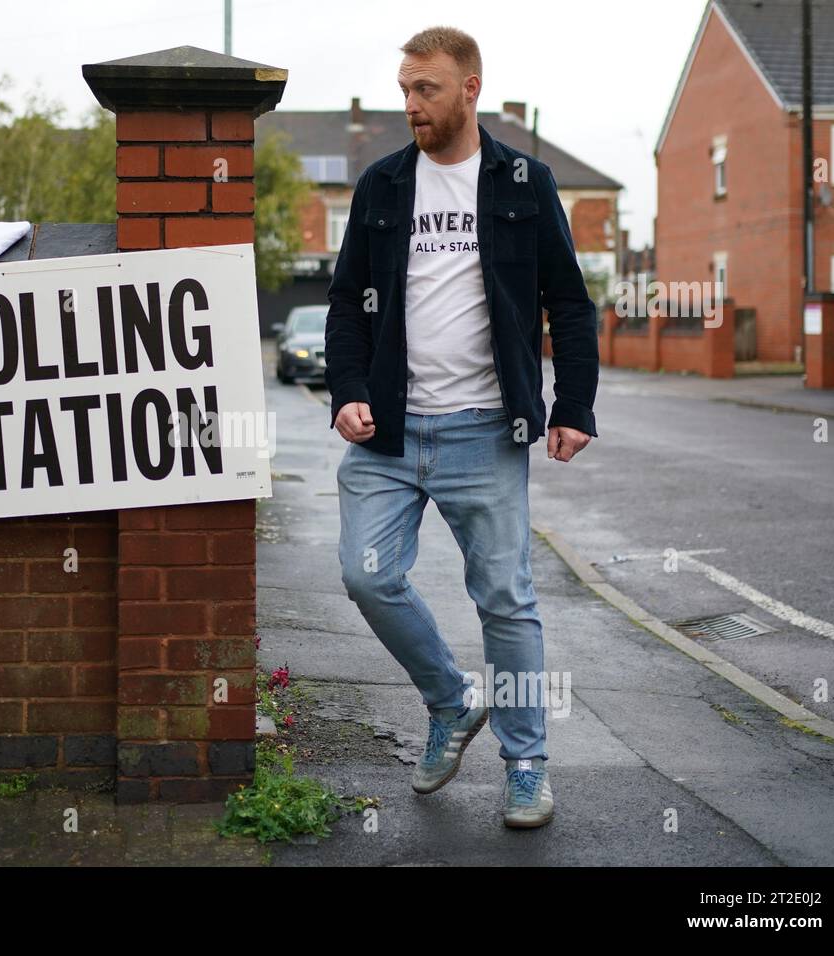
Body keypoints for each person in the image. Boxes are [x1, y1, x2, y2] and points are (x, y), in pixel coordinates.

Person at [324, 24, 600, 829]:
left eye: (426, 89)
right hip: (389, 432)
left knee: (507, 602)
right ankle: (451, 702)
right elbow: (347, 301)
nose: (410, 103)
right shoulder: (381, 187)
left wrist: (573, 404)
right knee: (366, 574)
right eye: (404, 88)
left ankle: (526, 767)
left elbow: (569, 303)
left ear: (469, 88)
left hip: (486, 429)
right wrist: (346, 389)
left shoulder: (524, 181)